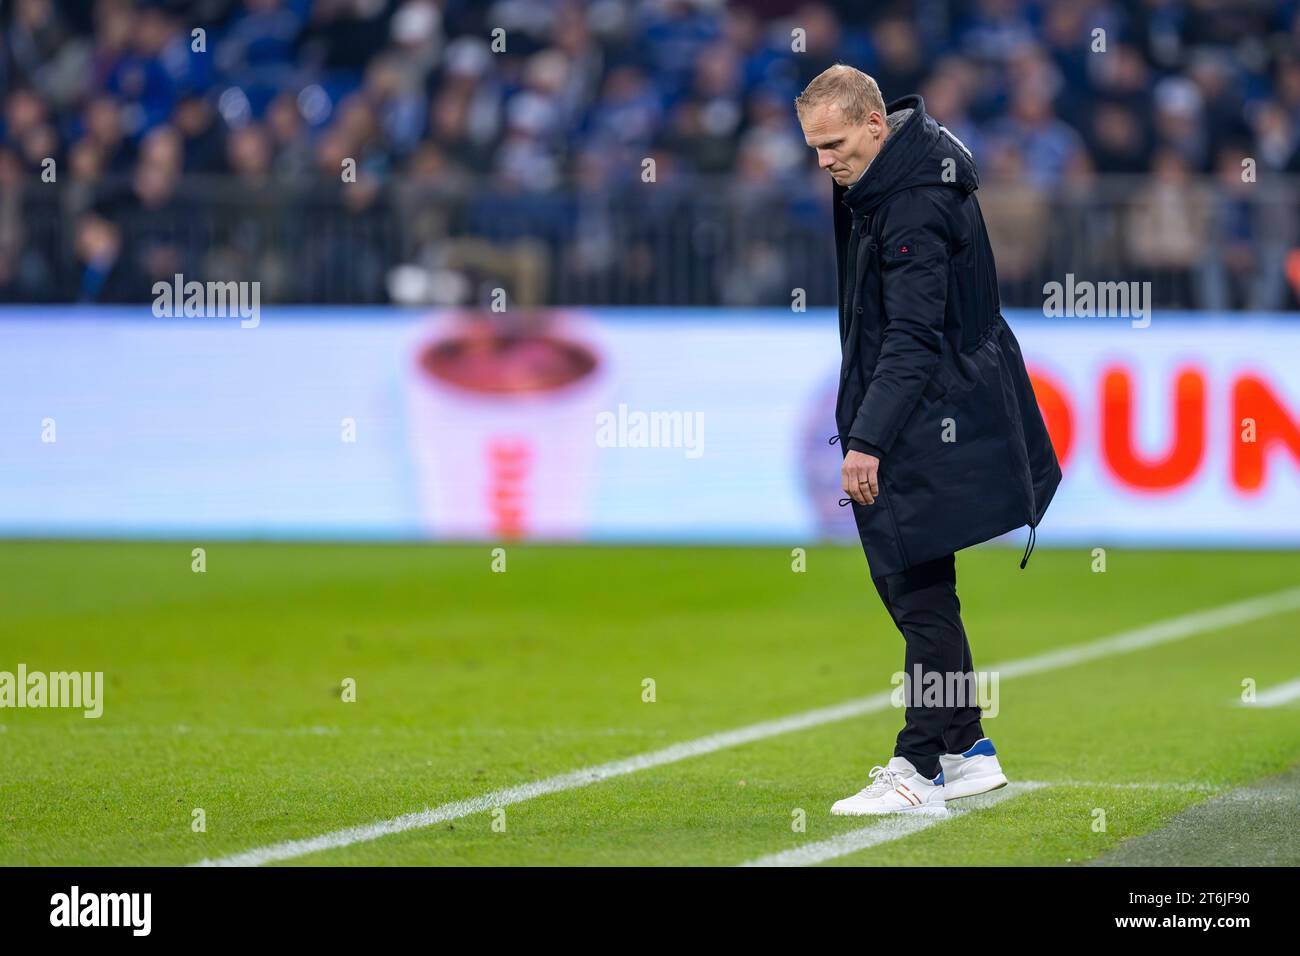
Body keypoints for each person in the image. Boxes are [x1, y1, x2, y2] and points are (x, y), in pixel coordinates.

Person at [795, 65, 1061, 815]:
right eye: (814, 148)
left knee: (914, 591)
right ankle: (967, 748)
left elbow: (911, 337)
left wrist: (867, 440)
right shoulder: (903, 172)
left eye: (835, 143)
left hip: (926, 413)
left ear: (876, 124)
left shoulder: (910, 204)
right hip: (939, 402)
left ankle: (919, 768)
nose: (825, 161)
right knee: (920, 585)